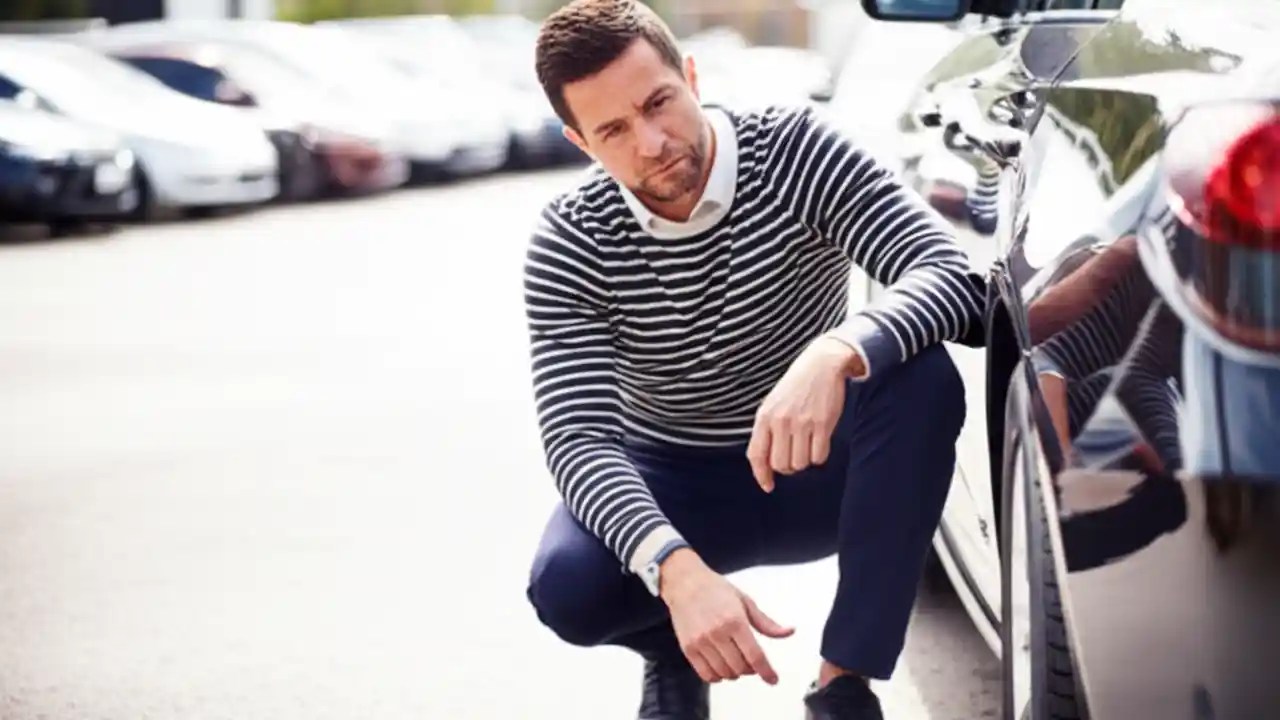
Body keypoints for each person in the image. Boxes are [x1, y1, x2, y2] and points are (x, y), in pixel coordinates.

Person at [521, 2, 985, 718]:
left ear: (692, 76)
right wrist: (674, 572)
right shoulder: (570, 241)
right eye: (614, 130)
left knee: (918, 376)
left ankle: (844, 686)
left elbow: (953, 276)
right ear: (581, 143)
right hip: (677, 480)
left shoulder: (794, 150)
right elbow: (578, 439)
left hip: (818, 462)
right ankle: (671, 647)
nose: (651, 143)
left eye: (659, 103)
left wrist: (839, 350)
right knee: (568, 588)